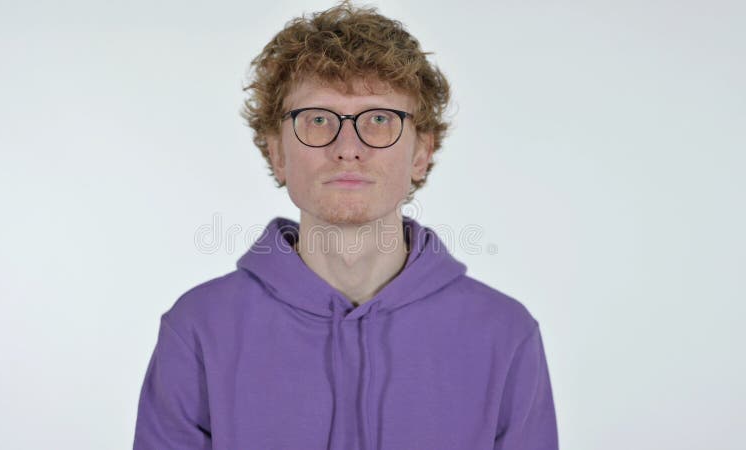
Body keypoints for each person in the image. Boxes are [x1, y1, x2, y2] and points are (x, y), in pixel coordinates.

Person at [133, 2, 559, 449]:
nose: (348, 147)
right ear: (277, 153)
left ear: (421, 152)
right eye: (318, 120)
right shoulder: (199, 328)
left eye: (379, 119)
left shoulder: (505, 334)